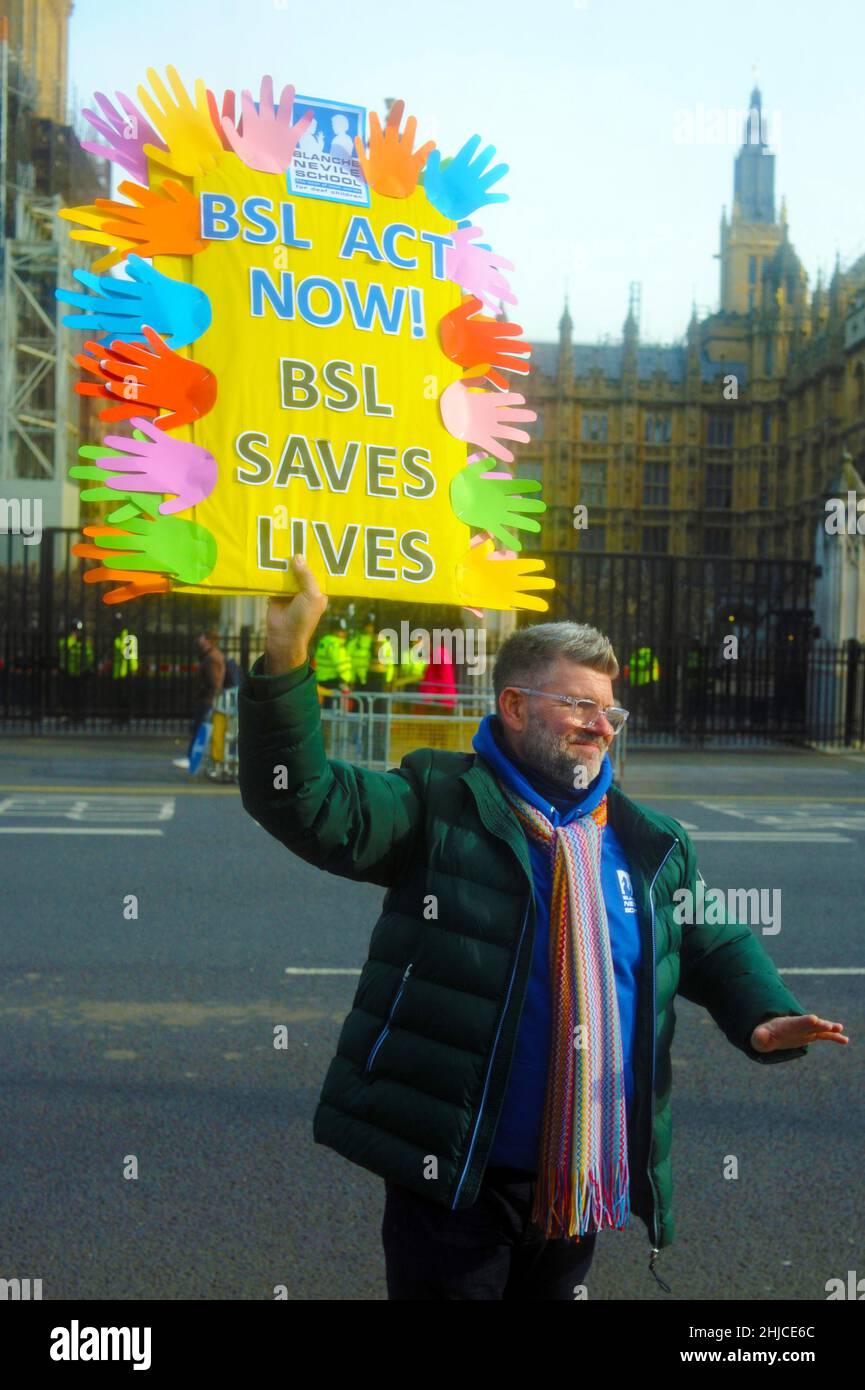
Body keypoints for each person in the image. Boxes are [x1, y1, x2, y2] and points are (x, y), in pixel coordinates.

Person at [237, 555, 849, 1302]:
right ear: (515, 706)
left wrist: (764, 1013)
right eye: (578, 705)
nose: (600, 725)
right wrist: (284, 658)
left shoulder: (647, 839)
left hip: (579, 1175)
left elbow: (710, 939)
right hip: (456, 1175)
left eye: (609, 712)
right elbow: (304, 803)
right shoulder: (438, 799)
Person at [173, 629, 225, 770]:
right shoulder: (210, 656)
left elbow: (214, 683)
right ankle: (192, 760)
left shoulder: (211, 658)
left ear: (208, 640)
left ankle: (192, 760)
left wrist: (206, 694)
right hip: (206, 699)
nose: (199, 640)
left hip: (206, 700)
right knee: (198, 730)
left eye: (202, 637)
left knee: (199, 731)